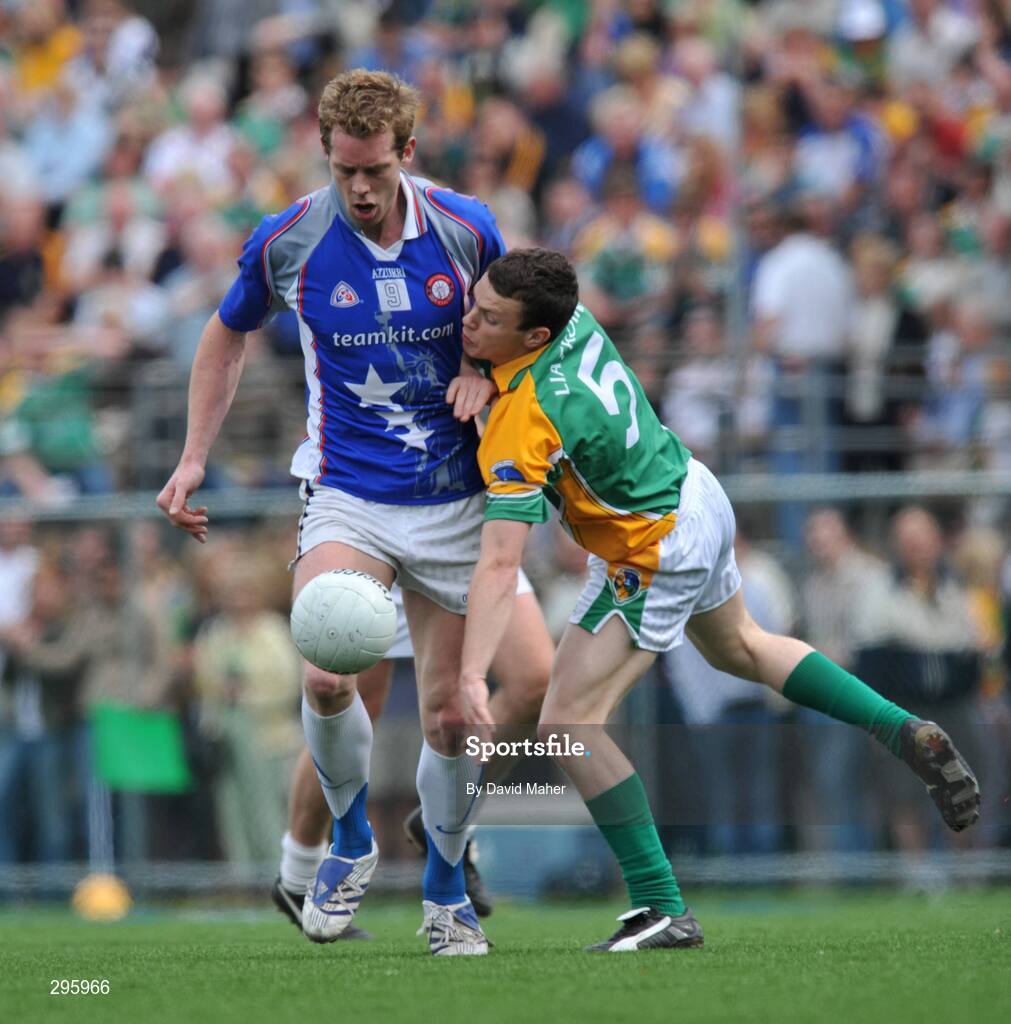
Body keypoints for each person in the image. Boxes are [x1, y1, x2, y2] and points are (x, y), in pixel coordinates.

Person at [455, 247, 980, 953]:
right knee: (742, 646)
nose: (467, 321)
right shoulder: (571, 317)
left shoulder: (520, 422)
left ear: (534, 338)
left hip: (650, 545)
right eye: (472, 302)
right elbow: (509, 333)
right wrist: (478, 362)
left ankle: (659, 907)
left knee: (569, 722)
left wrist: (469, 673)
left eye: (487, 318)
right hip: (693, 489)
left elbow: (499, 561)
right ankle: (897, 728)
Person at [157, 70, 553, 957]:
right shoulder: (289, 239)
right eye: (344, 172)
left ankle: (446, 892)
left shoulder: (465, 227)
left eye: (374, 169)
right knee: (327, 676)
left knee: (455, 714)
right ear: (326, 160)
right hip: (347, 492)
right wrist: (191, 457)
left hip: (455, 500)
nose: (360, 189)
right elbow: (226, 333)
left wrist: (482, 371)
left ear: (407, 153)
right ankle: (345, 838)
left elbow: (526, 331)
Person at [271, 579, 551, 939]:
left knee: (533, 683)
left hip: (465, 540)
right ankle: (300, 873)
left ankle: (445, 821)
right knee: (346, 691)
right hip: (380, 538)